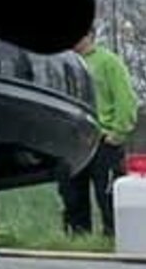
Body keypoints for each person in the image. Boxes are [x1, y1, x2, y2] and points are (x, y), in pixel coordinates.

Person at [60, 31, 141, 237]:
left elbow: (126, 99)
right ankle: (78, 242)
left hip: (103, 141)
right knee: (72, 198)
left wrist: (118, 133)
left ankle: (115, 241)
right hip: (71, 142)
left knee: (108, 198)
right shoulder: (63, 63)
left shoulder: (108, 62)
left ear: (90, 34)